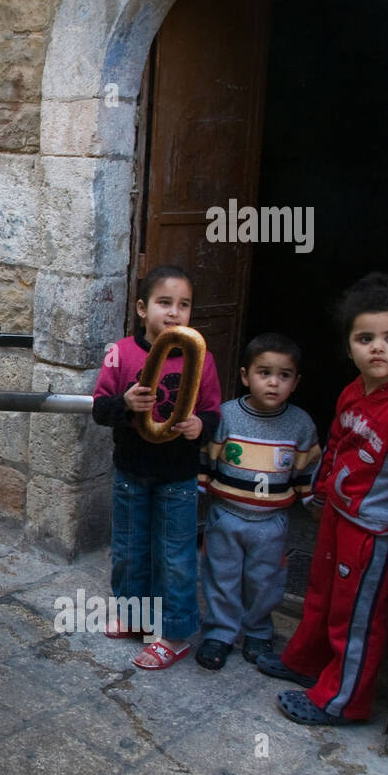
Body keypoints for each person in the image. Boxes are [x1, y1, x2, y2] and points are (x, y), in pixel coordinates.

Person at [257, 275, 388, 724]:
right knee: (322, 596)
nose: (378, 348)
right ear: (350, 346)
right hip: (337, 519)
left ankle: (341, 701)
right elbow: (336, 444)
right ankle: (306, 662)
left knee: (356, 616)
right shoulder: (353, 393)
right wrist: (321, 493)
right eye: (365, 338)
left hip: (372, 534)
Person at [92, 265, 222, 669]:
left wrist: (200, 426)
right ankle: (134, 617)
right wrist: (126, 404)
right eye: (165, 303)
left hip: (178, 476)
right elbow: (99, 409)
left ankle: (176, 633)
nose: (174, 313)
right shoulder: (120, 353)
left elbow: (213, 413)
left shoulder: (202, 358)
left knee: (175, 555)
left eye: (184, 305)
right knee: (130, 549)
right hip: (131, 471)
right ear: (142, 308)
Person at [195, 333, 320, 670]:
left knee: (265, 581)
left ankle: (257, 631)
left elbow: (306, 470)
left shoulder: (301, 424)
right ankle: (219, 632)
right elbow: (207, 459)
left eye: (284, 375)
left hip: (272, 523)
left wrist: (313, 503)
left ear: (296, 382)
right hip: (225, 517)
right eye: (264, 373)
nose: (273, 383)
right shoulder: (226, 416)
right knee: (220, 576)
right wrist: (198, 491)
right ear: (245, 376)